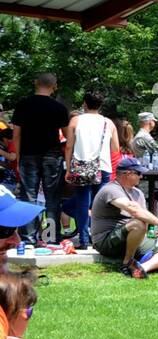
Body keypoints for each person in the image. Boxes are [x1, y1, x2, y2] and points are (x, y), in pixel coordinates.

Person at [90, 157, 158, 279]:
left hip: (133, 240)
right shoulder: (110, 189)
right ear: (127, 174)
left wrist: (153, 238)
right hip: (106, 241)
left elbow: (146, 219)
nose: (141, 176)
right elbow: (134, 210)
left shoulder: (137, 193)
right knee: (137, 224)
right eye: (138, 173)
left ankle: (142, 268)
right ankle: (127, 263)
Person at [10, 73, 70, 245]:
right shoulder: (59, 108)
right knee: (52, 198)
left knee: (28, 196)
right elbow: (67, 137)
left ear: (36, 83)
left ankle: (28, 238)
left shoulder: (23, 105)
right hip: (52, 155)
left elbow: (16, 135)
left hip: (29, 155)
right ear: (55, 86)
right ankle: (50, 237)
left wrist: (18, 156)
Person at [62, 90, 115, 250]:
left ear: (85, 103)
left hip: (80, 167)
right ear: (101, 104)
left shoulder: (76, 121)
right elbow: (116, 147)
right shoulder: (108, 123)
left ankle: (84, 240)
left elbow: (69, 146)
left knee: (82, 204)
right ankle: (101, 238)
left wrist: (68, 168)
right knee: (102, 205)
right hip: (103, 167)